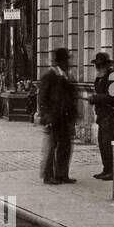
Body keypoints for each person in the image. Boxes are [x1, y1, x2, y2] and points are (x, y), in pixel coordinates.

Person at [38, 47, 79, 185]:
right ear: (59, 62)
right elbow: (42, 99)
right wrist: (46, 117)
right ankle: (48, 176)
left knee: (65, 146)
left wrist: (74, 114)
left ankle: (62, 175)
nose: (68, 63)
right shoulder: (50, 76)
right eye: (66, 60)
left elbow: (71, 97)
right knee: (51, 147)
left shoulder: (67, 76)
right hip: (53, 118)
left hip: (65, 118)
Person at [88, 52, 114, 181]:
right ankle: (106, 169)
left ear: (107, 64)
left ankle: (112, 171)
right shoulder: (99, 77)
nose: (98, 67)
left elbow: (112, 96)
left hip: (111, 115)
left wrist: (95, 98)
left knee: (108, 142)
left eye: (100, 65)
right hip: (102, 115)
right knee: (102, 143)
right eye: (96, 65)